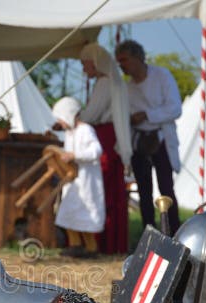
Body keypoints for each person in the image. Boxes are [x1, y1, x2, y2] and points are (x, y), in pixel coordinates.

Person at [115, 39, 182, 234]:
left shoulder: (162, 76)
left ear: (137, 58)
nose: (121, 65)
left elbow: (175, 108)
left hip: (161, 139)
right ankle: (149, 235)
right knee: (144, 192)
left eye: (124, 60)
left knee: (166, 188)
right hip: (139, 141)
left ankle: (174, 234)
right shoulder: (127, 88)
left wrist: (147, 115)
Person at [79, 43, 132, 254]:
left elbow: (91, 114)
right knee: (113, 192)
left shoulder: (104, 82)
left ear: (96, 62)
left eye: (86, 64)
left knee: (101, 192)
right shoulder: (116, 82)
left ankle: (102, 242)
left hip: (104, 139)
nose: (84, 69)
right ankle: (113, 243)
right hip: (111, 139)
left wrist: (71, 120)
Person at [51, 97, 105, 258]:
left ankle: (91, 248)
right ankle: (75, 245)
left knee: (85, 213)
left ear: (68, 114)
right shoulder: (69, 133)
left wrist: (75, 155)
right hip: (73, 181)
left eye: (61, 118)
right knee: (68, 212)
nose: (60, 122)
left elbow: (97, 151)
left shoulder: (86, 130)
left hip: (87, 181)